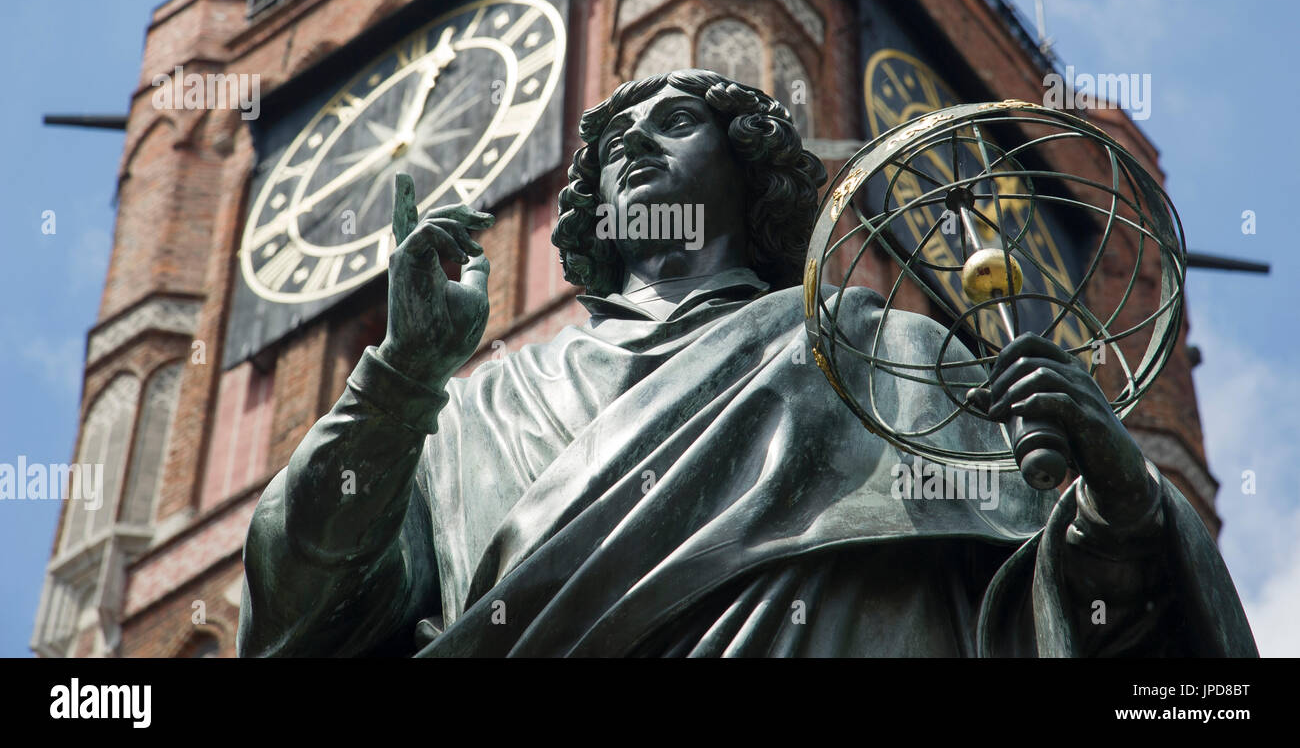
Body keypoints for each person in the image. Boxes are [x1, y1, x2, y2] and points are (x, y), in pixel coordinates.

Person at [237, 69, 1256, 657]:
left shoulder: (880, 346)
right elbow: (299, 612)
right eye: (612, 141)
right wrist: (401, 374)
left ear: (751, 172)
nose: (635, 145)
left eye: (676, 122)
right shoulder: (469, 411)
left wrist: (1124, 511)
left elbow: (1058, 613)